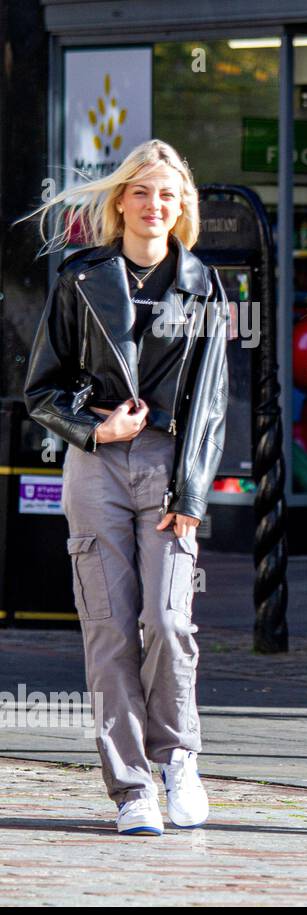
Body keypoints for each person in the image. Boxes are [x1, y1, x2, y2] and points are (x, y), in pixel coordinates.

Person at [21, 139, 230, 836]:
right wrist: (95, 428)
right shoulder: (81, 277)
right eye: (141, 192)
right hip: (98, 466)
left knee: (169, 621)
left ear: (182, 207)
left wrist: (193, 495)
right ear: (120, 202)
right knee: (109, 629)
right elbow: (41, 391)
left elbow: (211, 400)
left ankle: (179, 760)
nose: (154, 204)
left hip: (172, 466)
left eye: (167, 194)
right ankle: (131, 787)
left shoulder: (204, 283)